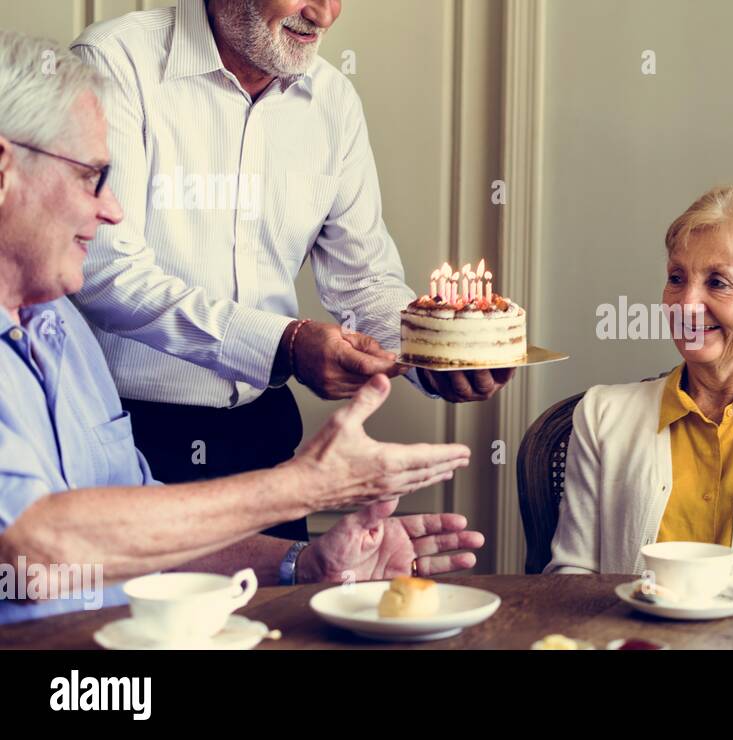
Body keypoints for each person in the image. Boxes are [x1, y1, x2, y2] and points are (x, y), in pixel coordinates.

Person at [0, 30, 479, 624]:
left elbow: (144, 536)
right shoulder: (121, 61)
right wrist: (304, 484)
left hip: (242, 453)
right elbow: (34, 550)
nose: (113, 208)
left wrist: (305, 563)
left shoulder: (63, 335)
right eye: (91, 176)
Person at [68, 0, 512, 543]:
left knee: (282, 621)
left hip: (265, 440)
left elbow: (365, 279)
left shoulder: (332, 100)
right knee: (139, 626)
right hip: (127, 436)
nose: (323, 13)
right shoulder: (116, 61)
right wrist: (285, 345)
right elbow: (104, 269)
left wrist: (432, 356)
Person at [545, 184, 733, 577]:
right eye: (677, 278)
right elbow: (572, 576)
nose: (686, 304)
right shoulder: (601, 415)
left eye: (717, 282)